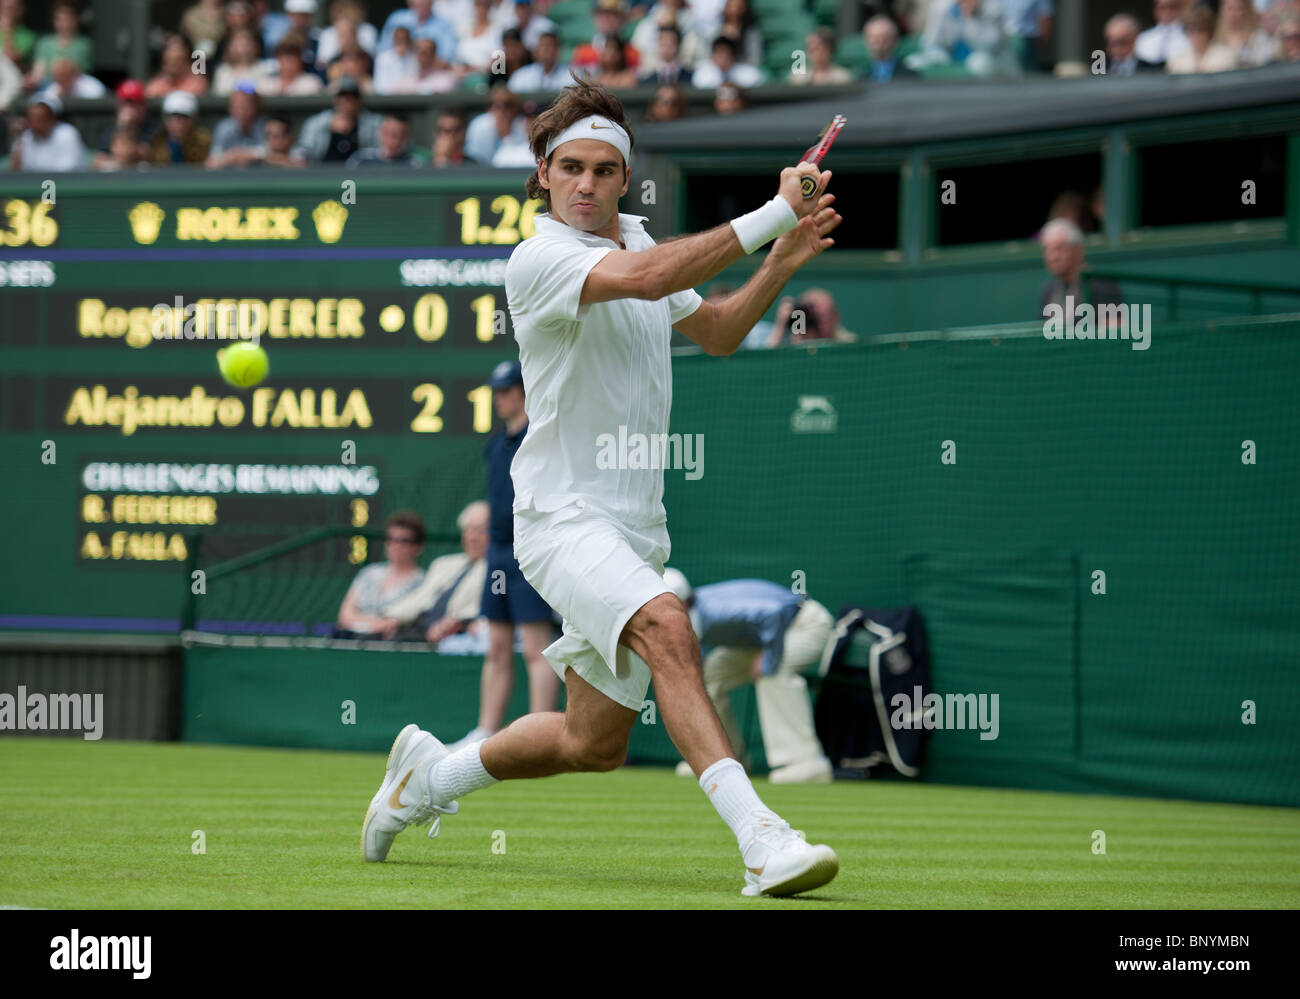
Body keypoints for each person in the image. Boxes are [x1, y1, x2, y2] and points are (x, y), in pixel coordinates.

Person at [360, 78, 843, 898]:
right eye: (568, 168)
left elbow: (719, 331)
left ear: (624, 179)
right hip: (561, 516)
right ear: (544, 175)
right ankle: (763, 838)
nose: (584, 184)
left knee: (592, 741)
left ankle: (425, 779)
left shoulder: (644, 245)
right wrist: (770, 215)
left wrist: (782, 262)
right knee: (666, 623)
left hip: (635, 527)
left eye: (602, 171)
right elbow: (650, 277)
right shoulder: (540, 257)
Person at [445, 360, 559, 749]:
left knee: (535, 647)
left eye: (506, 391)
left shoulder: (541, 437)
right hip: (497, 554)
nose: (499, 399)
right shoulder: (495, 446)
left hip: (531, 551)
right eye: (496, 391)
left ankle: (540, 735)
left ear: (524, 393)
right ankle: (485, 732)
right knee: (495, 646)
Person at [663, 571, 834, 784]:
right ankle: (725, 759)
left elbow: (772, 613)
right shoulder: (694, 617)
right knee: (708, 676)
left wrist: (768, 658)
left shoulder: (715, 611)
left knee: (772, 672)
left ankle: (806, 762)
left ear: (680, 603)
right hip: (768, 635)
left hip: (805, 625)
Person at [374, 501, 490, 644]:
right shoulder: (442, 564)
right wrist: (391, 618)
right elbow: (418, 598)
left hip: (454, 636)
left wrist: (459, 623)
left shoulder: (499, 571)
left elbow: (491, 611)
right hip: (416, 628)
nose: (472, 537)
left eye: (480, 530)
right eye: (468, 530)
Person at [334, 510, 429, 638]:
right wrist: (374, 625)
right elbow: (345, 615)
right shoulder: (369, 573)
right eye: (391, 539)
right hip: (351, 640)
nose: (395, 545)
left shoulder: (424, 582)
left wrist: (377, 626)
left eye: (403, 540)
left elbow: (402, 622)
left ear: (418, 547)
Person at [1038, 217, 1124, 323]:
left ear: (1078, 250)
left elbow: (1114, 332)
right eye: (1048, 250)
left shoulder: (1102, 285)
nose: (1054, 257)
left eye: (1060, 248)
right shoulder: (1049, 290)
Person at [293, 74, 381, 161]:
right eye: (343, 96)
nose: (347, 101)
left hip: (360, 173)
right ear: (336, 100)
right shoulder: (316, 123)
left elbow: (379, 154)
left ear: (359, 101)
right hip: (323, 173)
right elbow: (302, 152)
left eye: (352, 97)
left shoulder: (374, 123)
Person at [10, 93, 84, 171]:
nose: (36, 121)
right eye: (32, 117)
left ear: (53, 118)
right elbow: (15, 169)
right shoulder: (24, 137)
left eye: (41, 117)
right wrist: (19, 139)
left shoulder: (67, 134)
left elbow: (67, 170)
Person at [766, 287, 856, 346]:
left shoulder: (847, 342)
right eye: (812, 316)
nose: (816, 322)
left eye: (822, 317)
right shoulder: (788, 340)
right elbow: (768, 360)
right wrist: (781, 326)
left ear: (835, 318)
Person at [206, 83, 267, 168]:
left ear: (256, 107)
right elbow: (212, 161)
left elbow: (271, 155)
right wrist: (231, 157)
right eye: (236, 107)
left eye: (245, 107)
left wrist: (244, 154)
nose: (241, 111)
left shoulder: (265, 126)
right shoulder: (224, 128)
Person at [1166, 4, 1236, 72]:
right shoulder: (1177, 62)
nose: (1196, 35)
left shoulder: (1226, 56)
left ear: (1210, 31)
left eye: (1201, 30)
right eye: (1192, 31)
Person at [149, 90, 211, 166]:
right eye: (174, 116)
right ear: (165, 118)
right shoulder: (156, 141)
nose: (179, 122)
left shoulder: (203, 141)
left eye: (184, 116)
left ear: (193, 119)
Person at [508, 29, 576, 90]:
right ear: (535, 51)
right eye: (542, 46)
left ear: (558, 50)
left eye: (550, 46)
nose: (546, 50)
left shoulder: (572, 76)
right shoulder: (520, 76)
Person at [1215, 0, 1278, 66]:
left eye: (1238, 9)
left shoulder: (1258, 36)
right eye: (1230, 8)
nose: (1233, 14)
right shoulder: (1217, 39)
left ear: (1247, 11)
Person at [690, 34, 763, 87]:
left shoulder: (750, 73)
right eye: (719, 54)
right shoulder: (702, 74)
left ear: (733, 56)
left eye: (726, 54)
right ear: (712, 56)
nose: (723, 58)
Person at [346, 112, 419, 165]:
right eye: (387, 133)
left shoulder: (414, 164)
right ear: (379, 133)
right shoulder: (361, 159)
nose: (393, 140)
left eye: (400, 136)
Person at [863, 15, 918, 81]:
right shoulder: (862, 79)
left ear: (895, 41)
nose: (879, 45)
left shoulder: (910, 77)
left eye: (884, 39)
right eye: (874, 40)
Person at [1135, 0, 1190, 67]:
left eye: (1171, 7)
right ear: (1155, 10)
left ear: (1180, 9)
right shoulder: (1143, 38)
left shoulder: (1190, 37)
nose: (1167, 11)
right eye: (1162, 7)